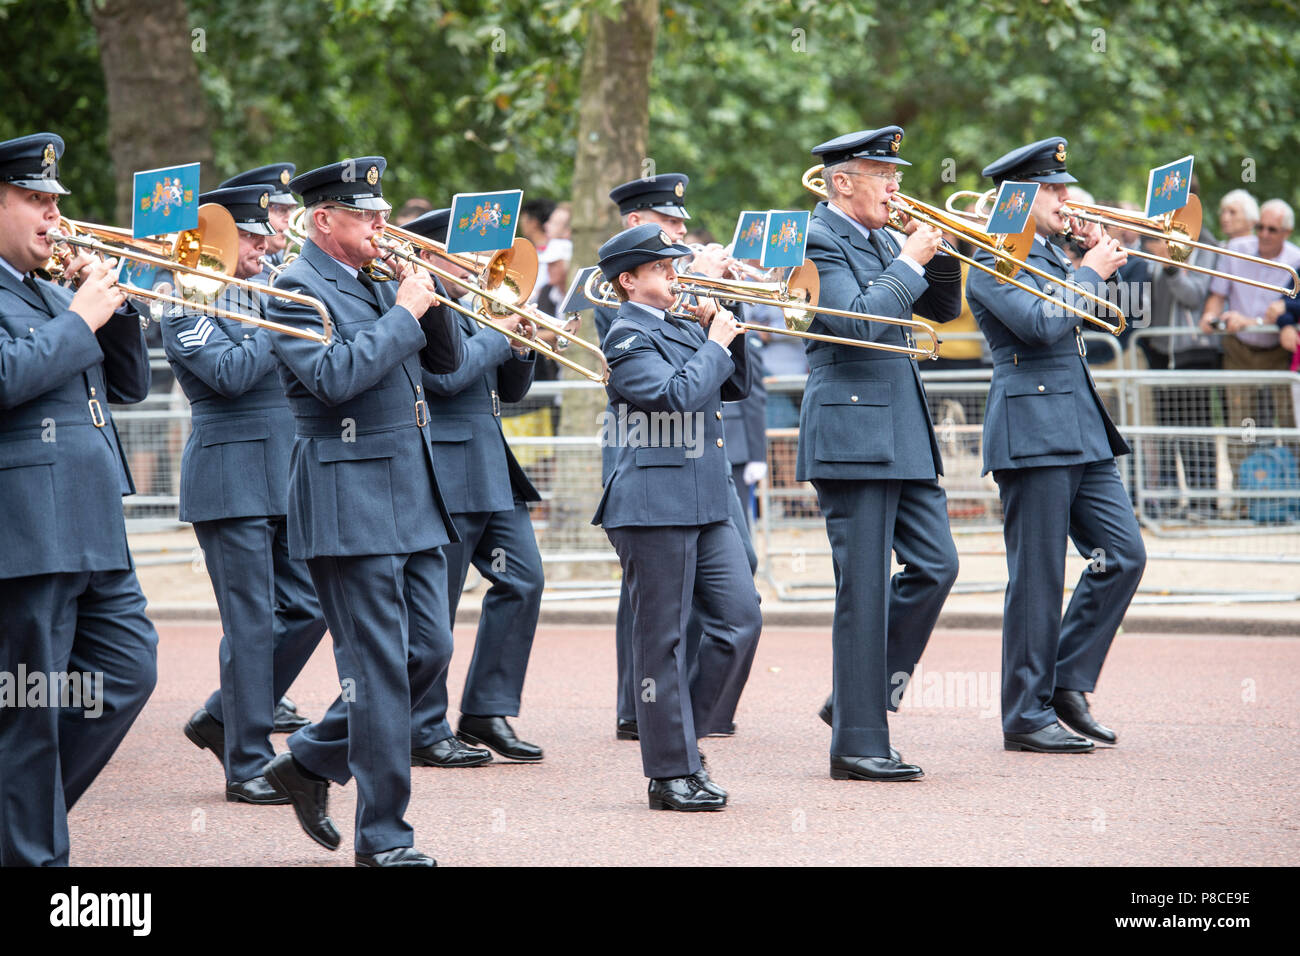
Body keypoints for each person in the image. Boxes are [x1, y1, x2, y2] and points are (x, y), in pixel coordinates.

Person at [258, 156, 464, 867]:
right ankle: (385, 840)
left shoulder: (379, 276)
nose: (385, 227)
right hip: (347, 497)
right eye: (367, 216)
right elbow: (334, 379)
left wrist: (431, 297)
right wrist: (406, 311)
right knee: (377, 674)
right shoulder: (293, 289)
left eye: (382, 214)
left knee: (428, 652)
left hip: (411, 491)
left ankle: (312, 757)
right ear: (323, 220)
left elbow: (445, 365)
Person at [0, 132, 158, 865]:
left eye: (55, 201)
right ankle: (32, 852)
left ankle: (22, 828)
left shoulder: (52, 290)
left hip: (93, 520)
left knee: (128, 670)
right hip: (28, 527)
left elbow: (128, 387)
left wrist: (115, 307)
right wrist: (79, 319)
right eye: (35, 200)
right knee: (28, 713)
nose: (52, 216)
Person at [966, 137, 1145, 754]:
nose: (1067, 198)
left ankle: (1066, 681)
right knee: (1038, 579)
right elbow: (1041, 325)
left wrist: (1096, 258)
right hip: (1032, 431)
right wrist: (1086, 270)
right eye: (1054, 188)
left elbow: (1126, 321)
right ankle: (1024, 713)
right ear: (1019, 195)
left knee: (1123, 555)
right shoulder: (994, 254)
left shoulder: (1054, 251)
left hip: (1081, 428)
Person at [800, 125, 961, 780]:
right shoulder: (818, 238)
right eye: (884, 175)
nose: (898, 185)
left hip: (901, 433)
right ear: (844, 182)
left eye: (897, 175)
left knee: (937, 565)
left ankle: (855, 697)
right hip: (853, 434)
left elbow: (943, 309)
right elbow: (858, 324)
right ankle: (859, 743)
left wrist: (937, 250)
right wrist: (908, 259)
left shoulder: (885, 237)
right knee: (862, 590)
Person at [165, 184, 329, 803]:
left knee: (310, 607)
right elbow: (230, 376)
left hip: (285, 474)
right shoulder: (181, 302)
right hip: (229, 478)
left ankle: (221, 715)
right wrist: (279, 319)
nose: (269, 244)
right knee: (251, 624)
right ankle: (247, 764)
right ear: (223, 241)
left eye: (268, 235)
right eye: (255, 237)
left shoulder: (267, 292)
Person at [592, 223, 761, 810]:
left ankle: (684, 740)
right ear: (629, 281)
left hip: (706, 500)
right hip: (651, 504)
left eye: (673, 264)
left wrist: (727, 325)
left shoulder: (684, 325)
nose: (674, 273)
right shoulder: (625, 336)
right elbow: (674, 397)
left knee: (741, 620)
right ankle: (670, 772)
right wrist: (714, 341)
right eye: (662, 267)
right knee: (660, 642)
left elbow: (735, 386)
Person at [401, 208, 546, 767]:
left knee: (525, 581)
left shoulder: (476, 304)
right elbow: (443, 377)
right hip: (447, 469)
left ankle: (486, 707)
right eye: (470, 253)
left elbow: (507, 390)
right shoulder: (420, 302)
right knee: (436, 605)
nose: (484, 263)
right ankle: (422, 725)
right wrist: (497, 335)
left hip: (491, 470)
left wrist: (523, 345)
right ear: (434, 254)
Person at [219, 163, 298, 273]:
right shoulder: (253, 265)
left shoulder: (278, 258)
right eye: (281, 210)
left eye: (291, 209)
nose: (289, 219)